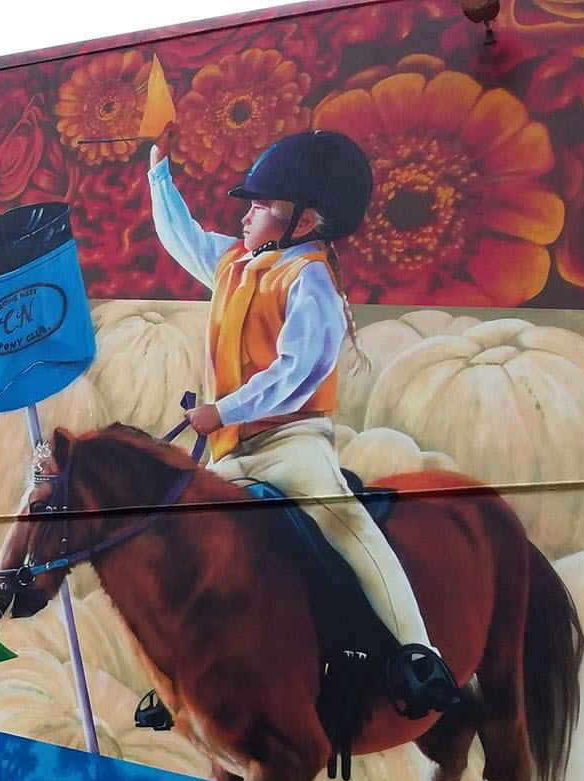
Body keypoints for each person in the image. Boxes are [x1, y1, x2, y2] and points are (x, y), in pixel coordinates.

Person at [147, 129, 461, 719]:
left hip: (294, 444)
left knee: (343, 520)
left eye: (261, 206)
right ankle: (183, 667)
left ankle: (420, 657)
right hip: (232, 447)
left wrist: (225, 409)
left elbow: (299, 370)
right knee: (187, 536)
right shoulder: (234, 264)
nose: (246, 215)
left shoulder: (309, 279)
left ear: (305, 219)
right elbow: (180, 236)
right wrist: (159, 171)